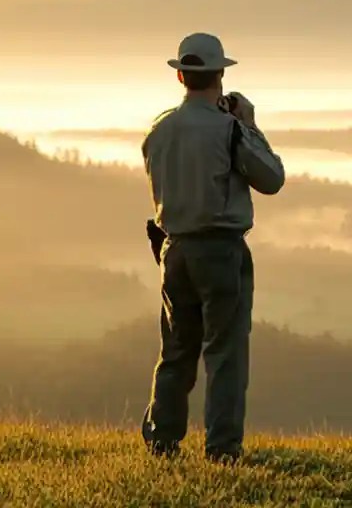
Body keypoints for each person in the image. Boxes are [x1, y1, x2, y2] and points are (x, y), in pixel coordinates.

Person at [140, 32, 285, 462]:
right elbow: (272, 179)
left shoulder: (158, 130)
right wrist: (249, 124)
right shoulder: (230, 130)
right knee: (224, 353)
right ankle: (222, 449)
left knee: (176, 350)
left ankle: (162, 441)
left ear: (181, 75)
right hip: (220, 251)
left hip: (174, 249)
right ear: (220, 74)